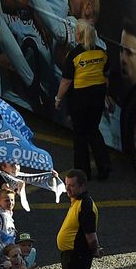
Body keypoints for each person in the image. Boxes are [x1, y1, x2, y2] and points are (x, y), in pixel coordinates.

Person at [55, 21, 113, 180]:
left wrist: (58, 98)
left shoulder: (74, 55)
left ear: (79, 35)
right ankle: (104, 165)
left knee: (80, 135)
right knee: (93, 130)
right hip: (97, 96)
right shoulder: (101, 53)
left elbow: (66, 81)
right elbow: (106, 74)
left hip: (79, 98)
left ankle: (83, 171)